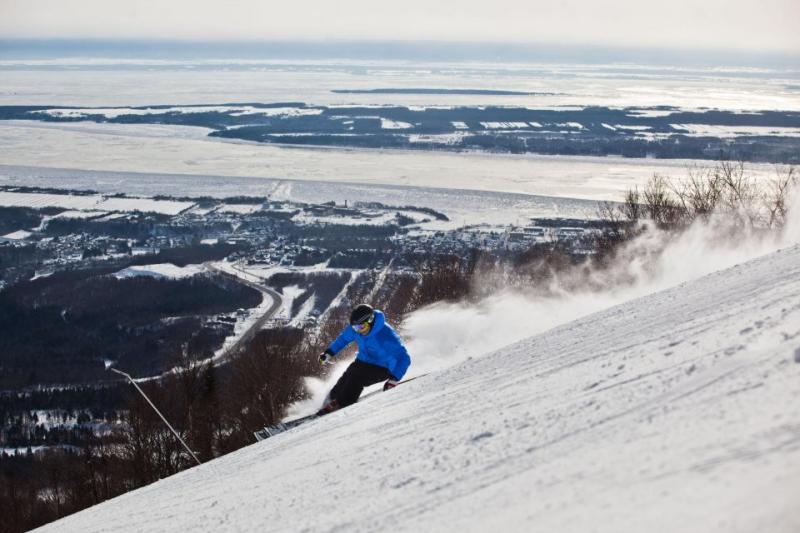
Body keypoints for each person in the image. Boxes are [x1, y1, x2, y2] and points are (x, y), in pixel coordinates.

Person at [317, 303, 411, 414]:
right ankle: (330, 400)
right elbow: (343, 339)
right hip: (363, 361)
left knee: (356, 378)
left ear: (370, 321)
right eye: (356, 328)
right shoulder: (357, 327)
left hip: (383, 367)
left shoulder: (386, 336)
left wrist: (394, 379)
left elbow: (404, 358)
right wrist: (329, 353)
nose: (359, 331)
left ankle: (342, 403)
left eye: (361, 327)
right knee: (347, 375)